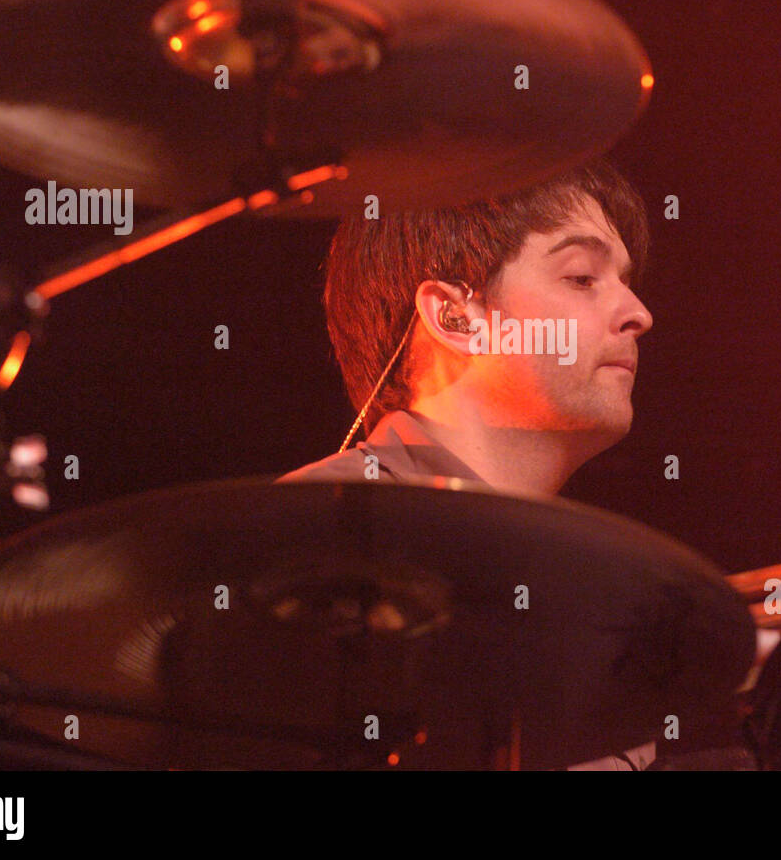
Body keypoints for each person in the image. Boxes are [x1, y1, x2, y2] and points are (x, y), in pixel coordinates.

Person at [277, 158, 658, 768]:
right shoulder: (316, 539)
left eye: (625, 280)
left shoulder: (596, 601)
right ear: (457, 318)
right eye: (583, 277)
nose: (638, 312)